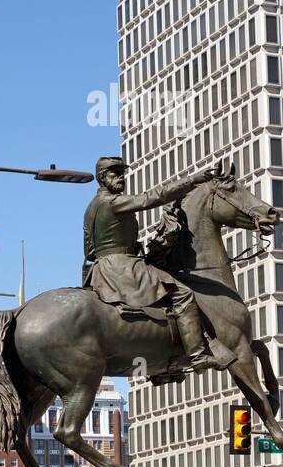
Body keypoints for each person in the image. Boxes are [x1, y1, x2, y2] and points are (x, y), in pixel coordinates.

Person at [83, 155, 232, 371]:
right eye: (115, 173)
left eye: (122, 172)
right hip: (122, 267)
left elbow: (89, 250)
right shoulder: (113, 202)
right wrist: (194, 180)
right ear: (102, 177)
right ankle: (197, 356)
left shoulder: (90, 209)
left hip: (100, 270)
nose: (121, 177)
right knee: (182, 294)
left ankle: (162, 370)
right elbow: (152, 197)